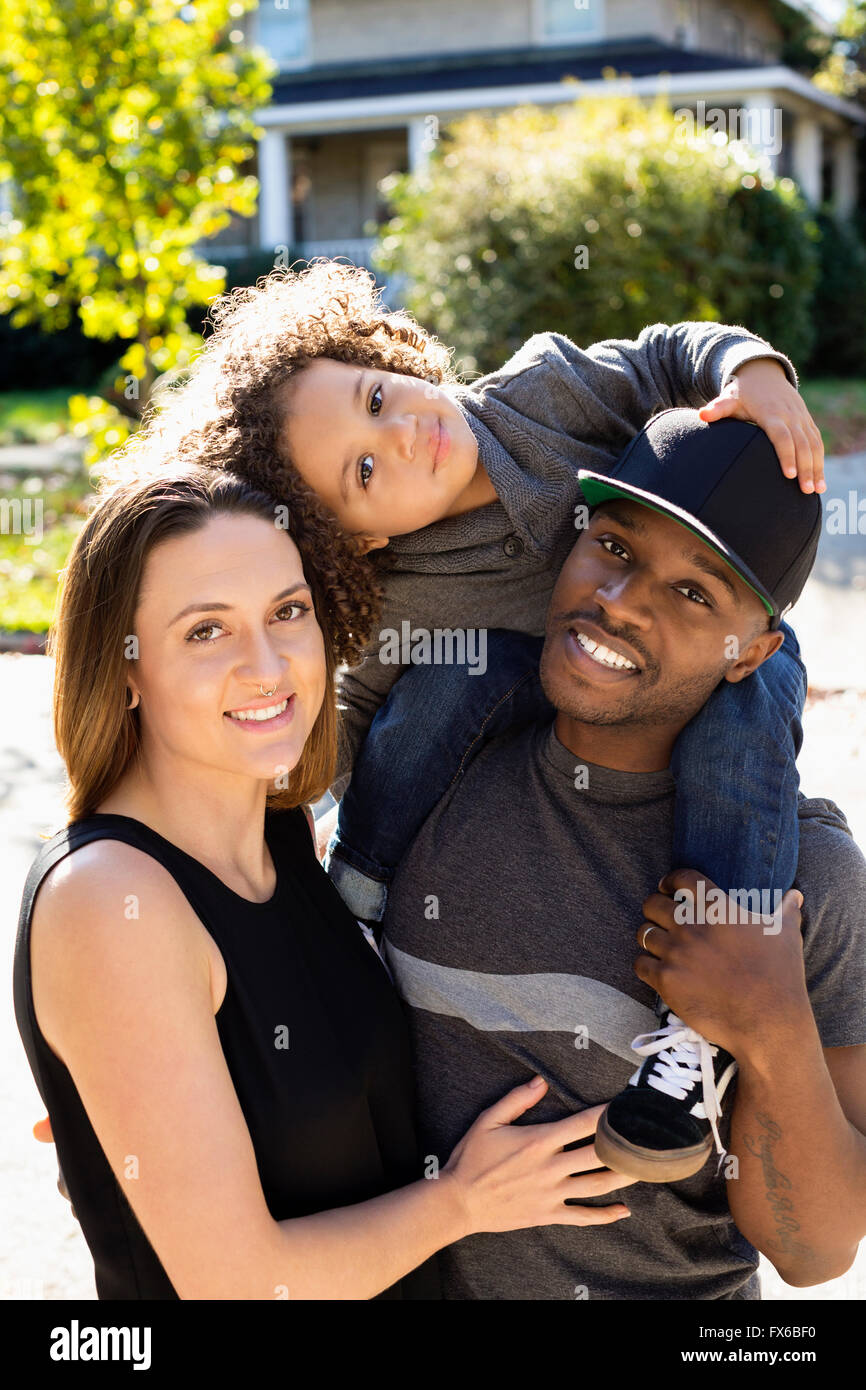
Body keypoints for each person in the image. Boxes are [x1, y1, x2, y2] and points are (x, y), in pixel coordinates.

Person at [114, 259, 823, 1165]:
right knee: (451, 675)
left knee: (748, 707)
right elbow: (332, 727)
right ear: (353, 537)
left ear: (388, 357)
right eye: (364, 470)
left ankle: (700, 1030)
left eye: (376, 398)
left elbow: (665, 353)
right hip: (547, 673)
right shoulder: (396, 596)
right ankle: (359, 900)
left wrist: (751, 373)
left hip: (690, 643)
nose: (404, 436)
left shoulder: (541, 393)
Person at [13, 462, 640, 1301]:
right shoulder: (110, 901)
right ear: (124, 666)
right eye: (206, 631)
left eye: (288, 611)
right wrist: (460, 1203)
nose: (268, 665)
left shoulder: (286, 841)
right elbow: (235, 1285)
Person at [378, 408, 866, 1300]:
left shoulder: (806, 881)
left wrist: (770, 1025)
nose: (622, 600)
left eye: (694, 595)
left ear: (751, 653)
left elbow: (817, 1252)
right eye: (615, 547)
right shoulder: (435, 766)